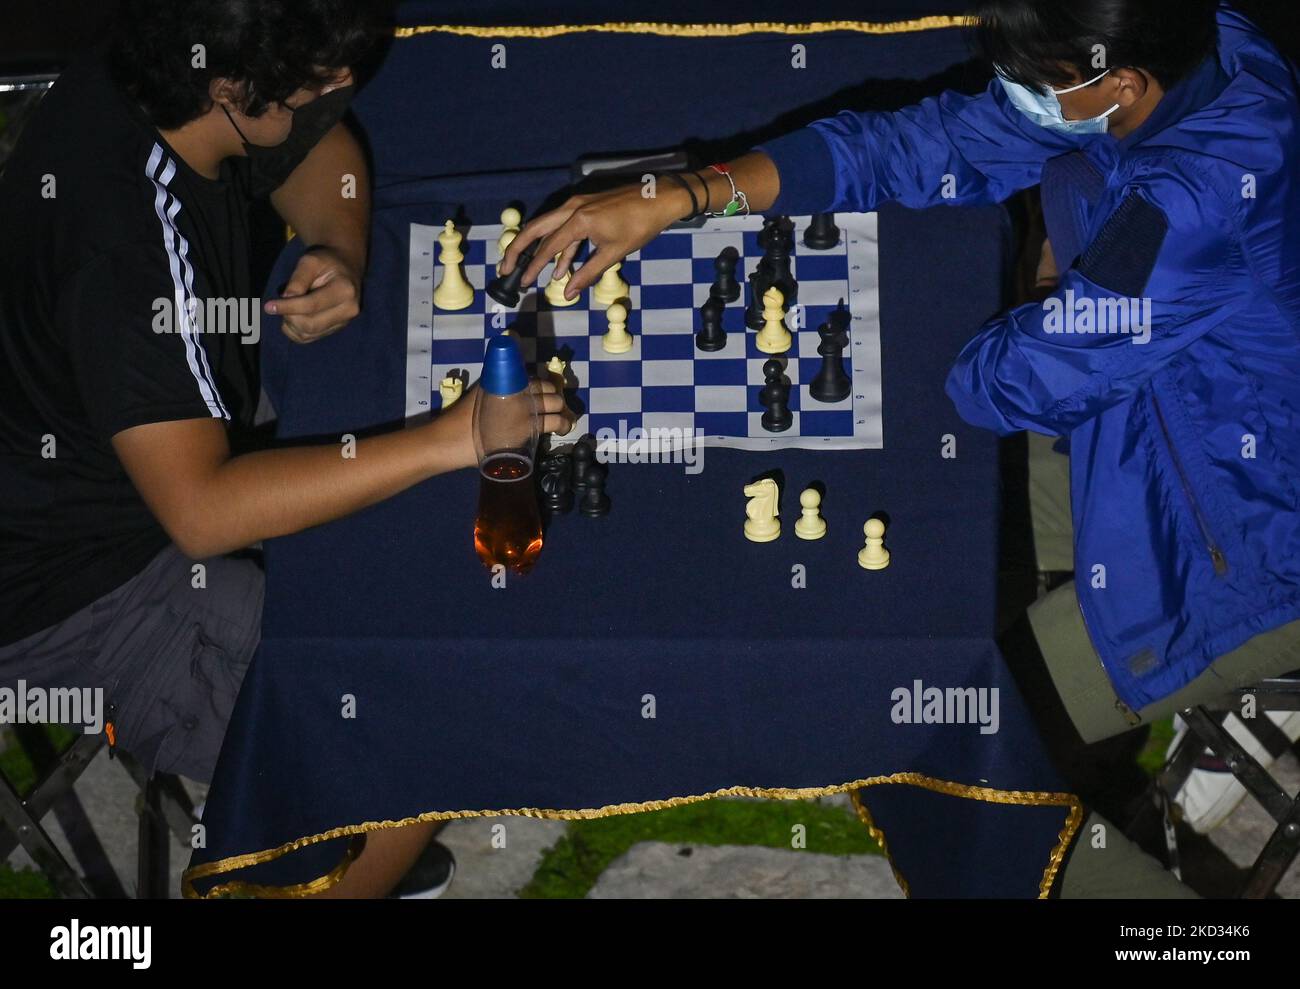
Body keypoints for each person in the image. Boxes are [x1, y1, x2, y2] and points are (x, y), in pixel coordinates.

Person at [499, 0, 1300, 896]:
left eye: (1037, 85)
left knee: (936, 739)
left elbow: (1006, 382)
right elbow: (927, 145)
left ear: (1120, 83)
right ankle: (1095, 758)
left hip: (1245, 546)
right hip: (1157, 426)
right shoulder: (1201, 40)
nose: (1012, 100)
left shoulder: (1194, 206)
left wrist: (939, 338)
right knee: (922, 573)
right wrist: (685, 194)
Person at [0, 0, 568, 898]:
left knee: (420, 522)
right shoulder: (124, 246)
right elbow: (203, 511)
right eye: (316, 82)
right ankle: (351, 848)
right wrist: (456, 436)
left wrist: (335, 246)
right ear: (229, 85)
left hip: (160, 445)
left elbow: (319, 152)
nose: (340, 92)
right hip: (75, 595)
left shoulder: (168, 65)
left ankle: (362, 837)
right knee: (433, 713)